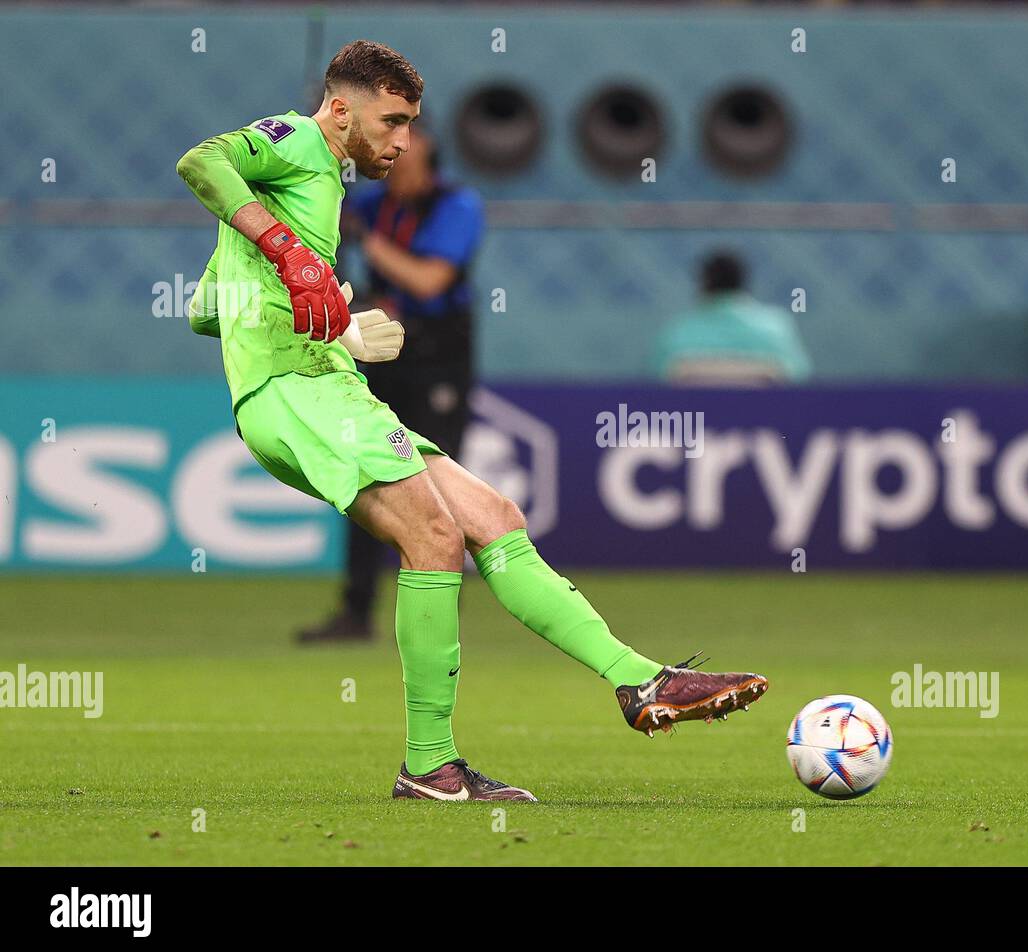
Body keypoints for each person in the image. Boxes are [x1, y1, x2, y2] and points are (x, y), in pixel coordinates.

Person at [176, 40, 767, 801]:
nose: (403, 141)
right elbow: (200, 160)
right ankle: (430, 764)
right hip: (297, 392)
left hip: (322, 379)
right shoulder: (293, 142)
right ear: (339, 109)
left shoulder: (317, 184)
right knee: (433, 537)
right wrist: (287, 250)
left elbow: (205, 310)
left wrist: (336, 327)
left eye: (410, 124)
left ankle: (640, 681)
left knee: (493, 516)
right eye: (391, 122)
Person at [298, 121, 481, 642]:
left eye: (406, 135)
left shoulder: (456, 206)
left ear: (427, 146)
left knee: (438, 487)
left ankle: (436, 618)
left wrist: (367, 241)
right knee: (367, 478)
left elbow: (429, 279)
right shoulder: (371, 205)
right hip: (383, 358)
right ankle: (355, 612)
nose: (395, 147)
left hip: (438, 363)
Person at [654, 251, 812, 385]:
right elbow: (800, 379)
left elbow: (654, 382)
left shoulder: (678, 332)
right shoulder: (777, 326)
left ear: (704, 284)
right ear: (743, 282)